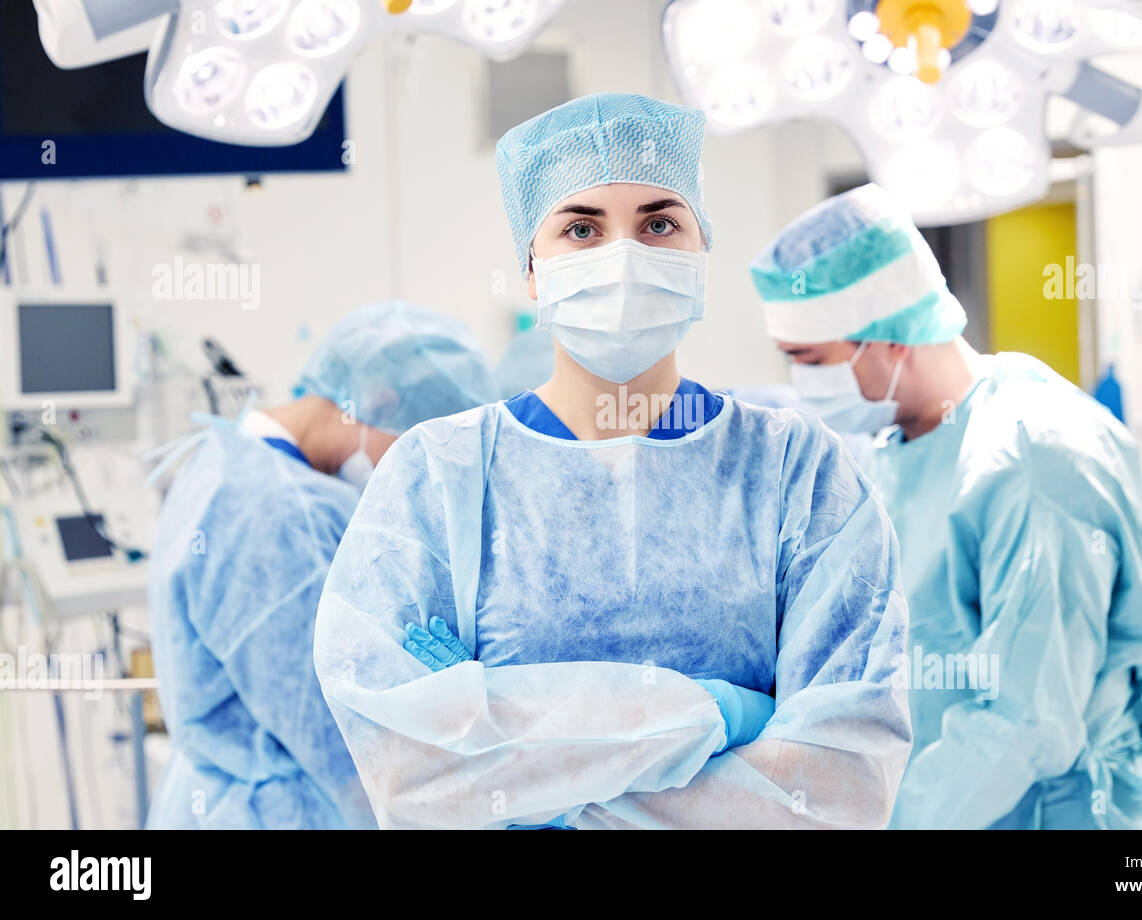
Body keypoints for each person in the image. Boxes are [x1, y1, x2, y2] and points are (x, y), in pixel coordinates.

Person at [314, 93, 912, 830]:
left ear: (699, 255)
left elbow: (841, 779)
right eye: (581, 228)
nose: (624, 255)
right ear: (532, 271)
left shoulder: (800, 471)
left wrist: (530, 775)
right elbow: (411, 771)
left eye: (660, 223)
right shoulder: (437, 477)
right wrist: (720, 716)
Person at [750, 183, 1142, 829]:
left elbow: (1029, 717)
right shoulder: (904, 443)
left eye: (811, 361)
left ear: (888, 338)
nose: (805, 384)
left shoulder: (1033, 457)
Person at [147, 300, 497, 829]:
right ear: (378, 401)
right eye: (415, 452)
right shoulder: (280, 514)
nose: (418, 481)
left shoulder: (231, 464)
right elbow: (338, 735)